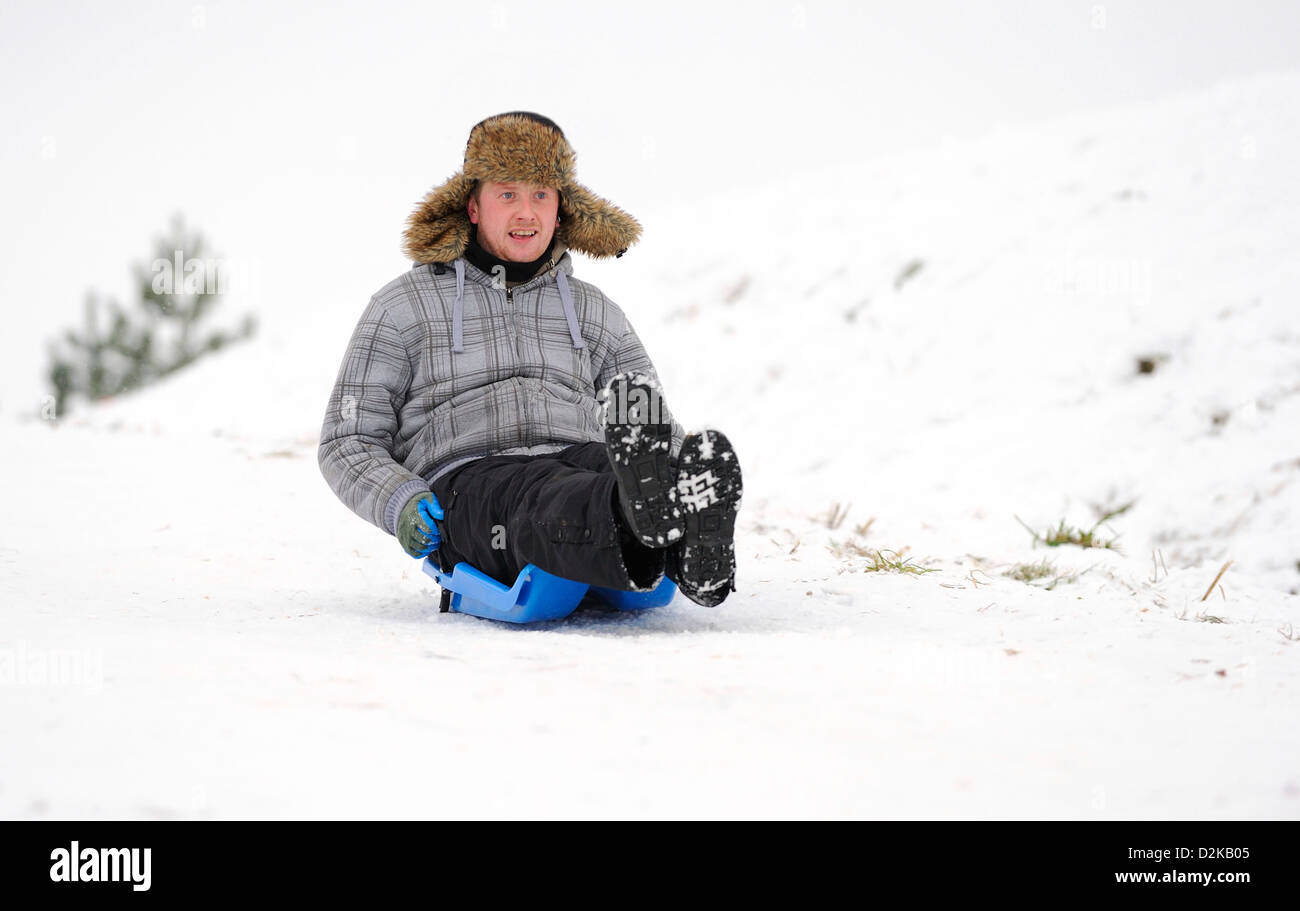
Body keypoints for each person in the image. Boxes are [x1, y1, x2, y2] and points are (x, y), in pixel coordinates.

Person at [317, 111, 742, 607]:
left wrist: (669, 459)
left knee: (605, 466)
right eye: (507, 194)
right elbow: (347, 439)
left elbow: (650, 426)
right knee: (539, 495)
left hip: (579, 455)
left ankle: (684, 541)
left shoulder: (594, 312)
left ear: (560, 208)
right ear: (473, 206)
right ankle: (642, 519)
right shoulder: (403, 307)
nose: (526, 212)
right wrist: (400, 502)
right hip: (469, 483)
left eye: (541, 194)